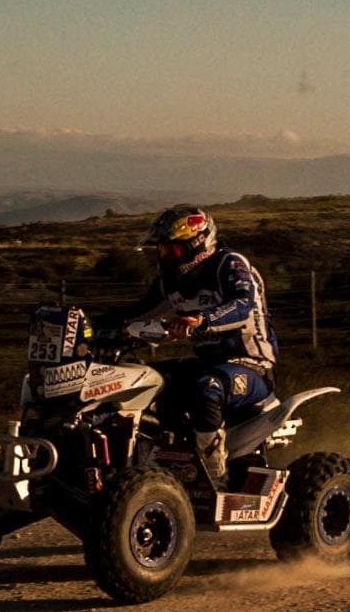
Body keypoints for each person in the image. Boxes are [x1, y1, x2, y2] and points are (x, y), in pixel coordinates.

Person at [118, 205, 278, 489]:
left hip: (250, 365)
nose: (165, 256)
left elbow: (242, 305)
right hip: (208, 362)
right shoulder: (170, 279)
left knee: (208, 387)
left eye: (173, 250)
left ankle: (215, 474)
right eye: (163, 250)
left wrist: (201, 320)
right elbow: (140, 309)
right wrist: (89, 326)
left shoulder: (229, 265)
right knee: (144, 379)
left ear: (196, 243)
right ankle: (154, 462)